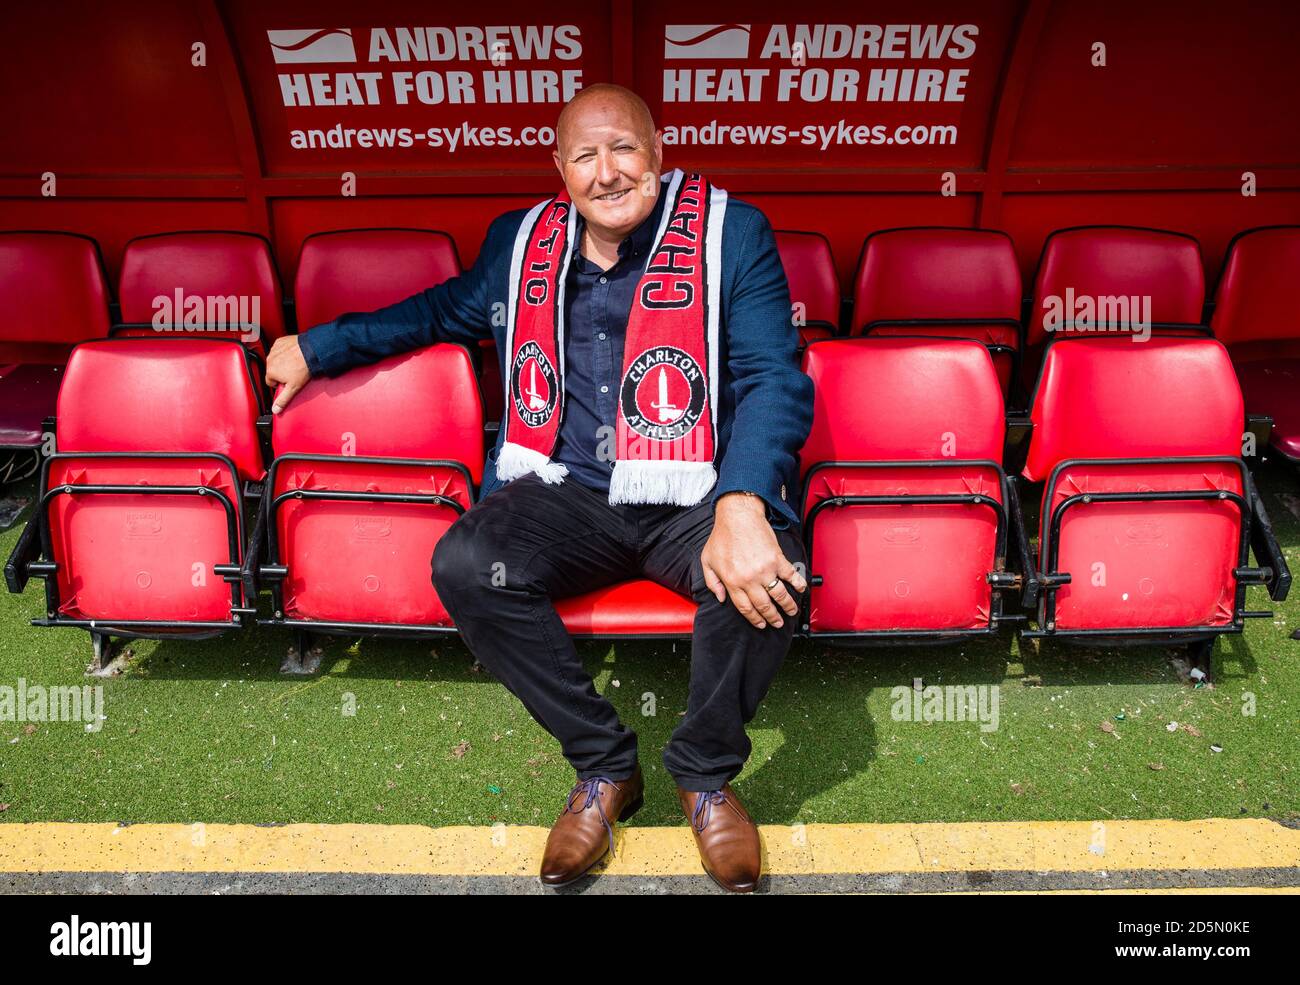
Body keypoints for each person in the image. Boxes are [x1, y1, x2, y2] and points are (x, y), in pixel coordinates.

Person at [265, 84, 813, 892]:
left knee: (768, 567)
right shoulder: (520, 242)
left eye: (624, 148)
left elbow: (774, 376)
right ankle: (603, 767)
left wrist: (741, 503)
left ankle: (703, 773)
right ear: (560, 169)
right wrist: (318, 346)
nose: (608, 171)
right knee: (466, 563)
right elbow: (442, 310)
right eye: (585, 155)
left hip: (696, 489)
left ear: (658, 152)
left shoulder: (732, 234)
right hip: (571, 492)